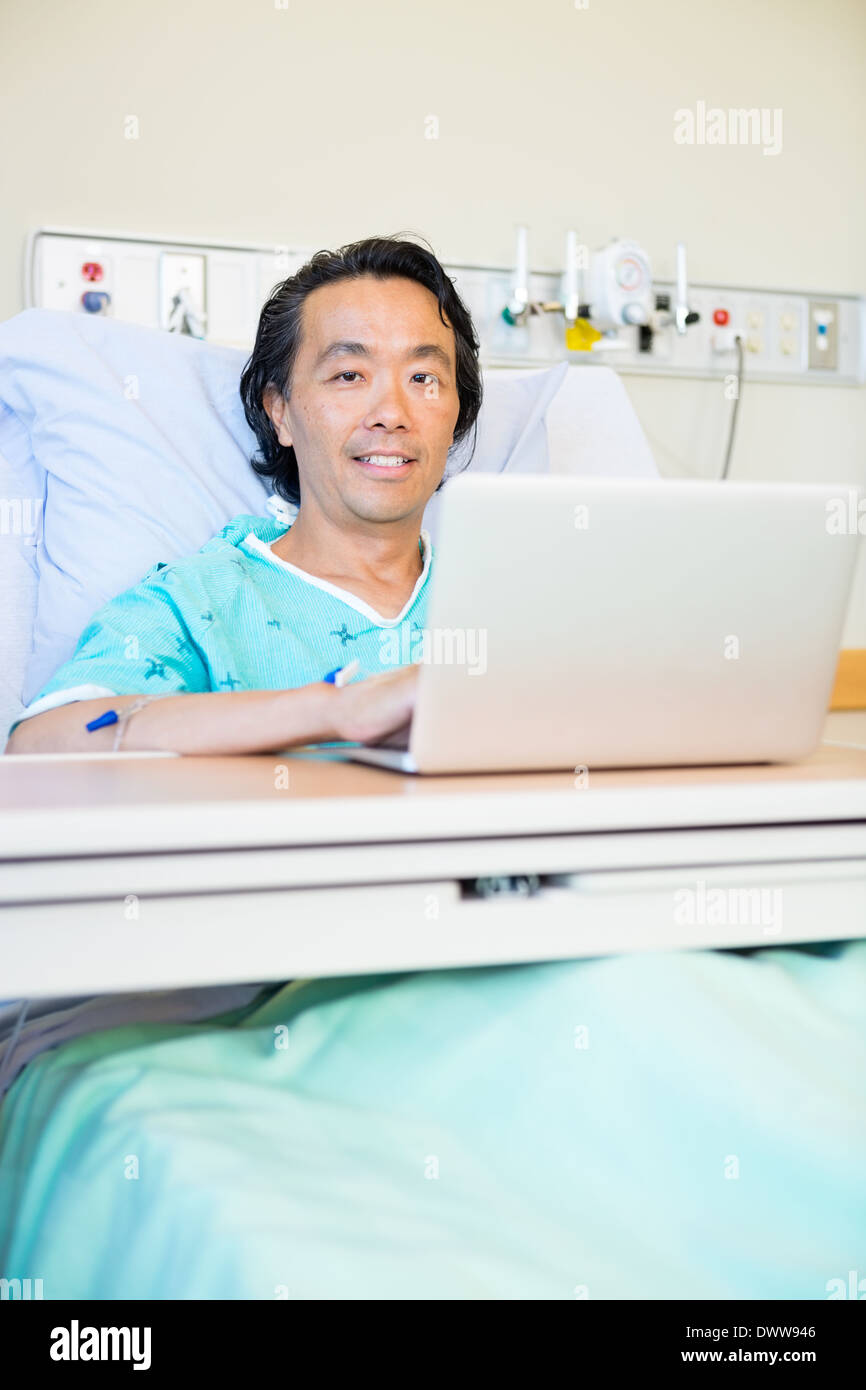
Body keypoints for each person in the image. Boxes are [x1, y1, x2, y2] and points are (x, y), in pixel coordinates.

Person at [4, 236, 483, 756]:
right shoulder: (203, 600)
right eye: (348, 375)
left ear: (456, 412)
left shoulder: (511, 598)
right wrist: (334, 710)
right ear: (280, 412)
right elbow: (42, 743)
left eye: (423, 377)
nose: (391, 412)